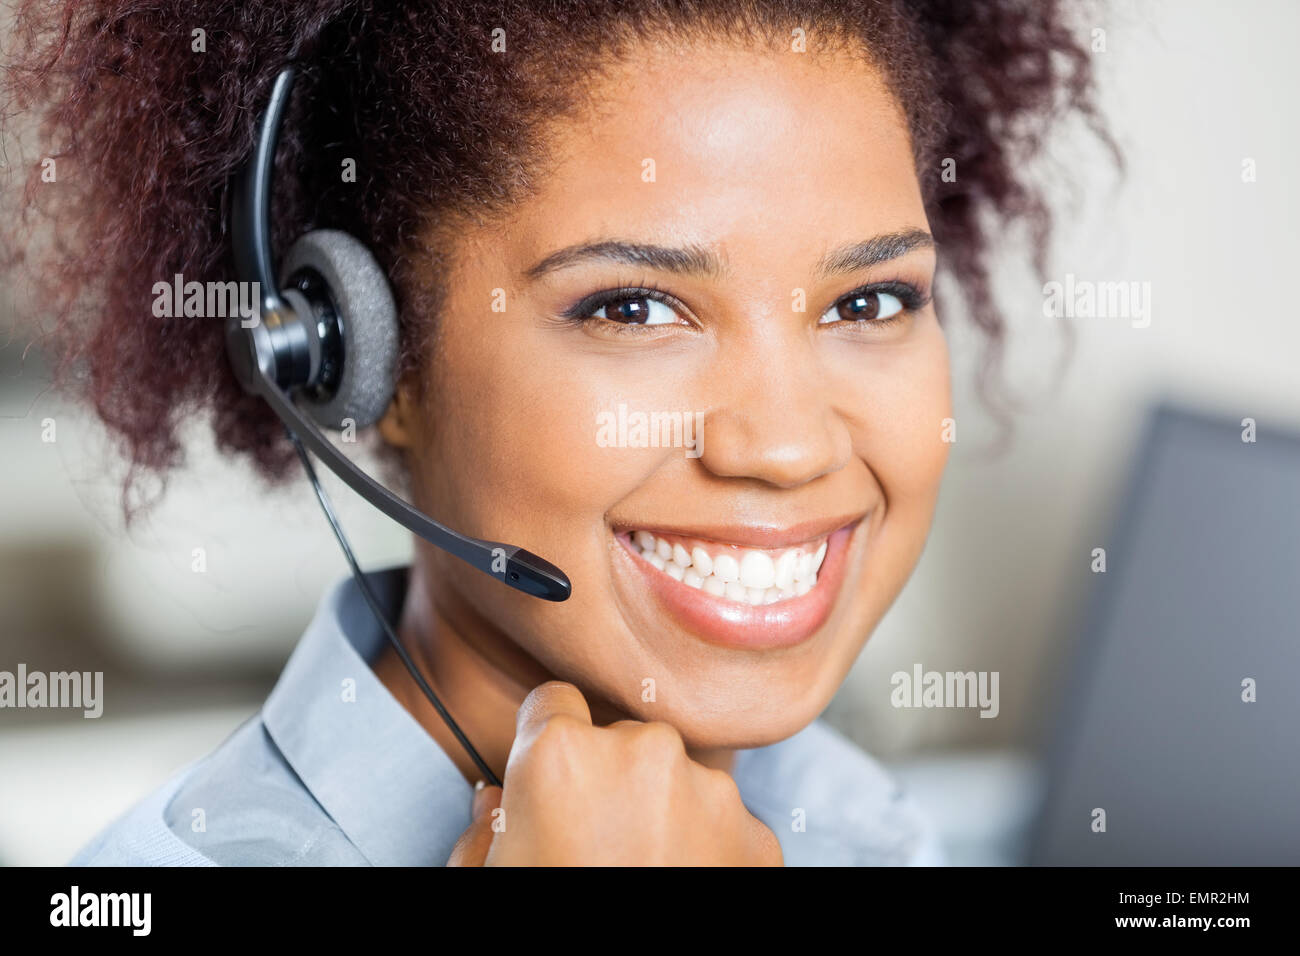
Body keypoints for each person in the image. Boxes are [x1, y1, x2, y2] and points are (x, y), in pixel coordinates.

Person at [1, 0, 1109, 865]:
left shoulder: (861, 820)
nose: (784, 445)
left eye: (867, 301)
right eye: (631, 307)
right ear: (370, 360)